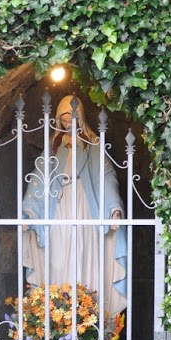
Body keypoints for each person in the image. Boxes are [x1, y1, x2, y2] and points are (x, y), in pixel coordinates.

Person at [19, 95, 129, 327]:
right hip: (58, 207)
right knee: (58, 257)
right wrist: (29, 209)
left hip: (86, 206)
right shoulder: (54, 146)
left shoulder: (93, 144)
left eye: (73, 118)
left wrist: (114, 208)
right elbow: (39, 179)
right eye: (65, 119)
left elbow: (106, 177)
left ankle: (89, 318)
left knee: (87, 253)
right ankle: (60, 319)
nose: (69, 123)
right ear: (59, 120)